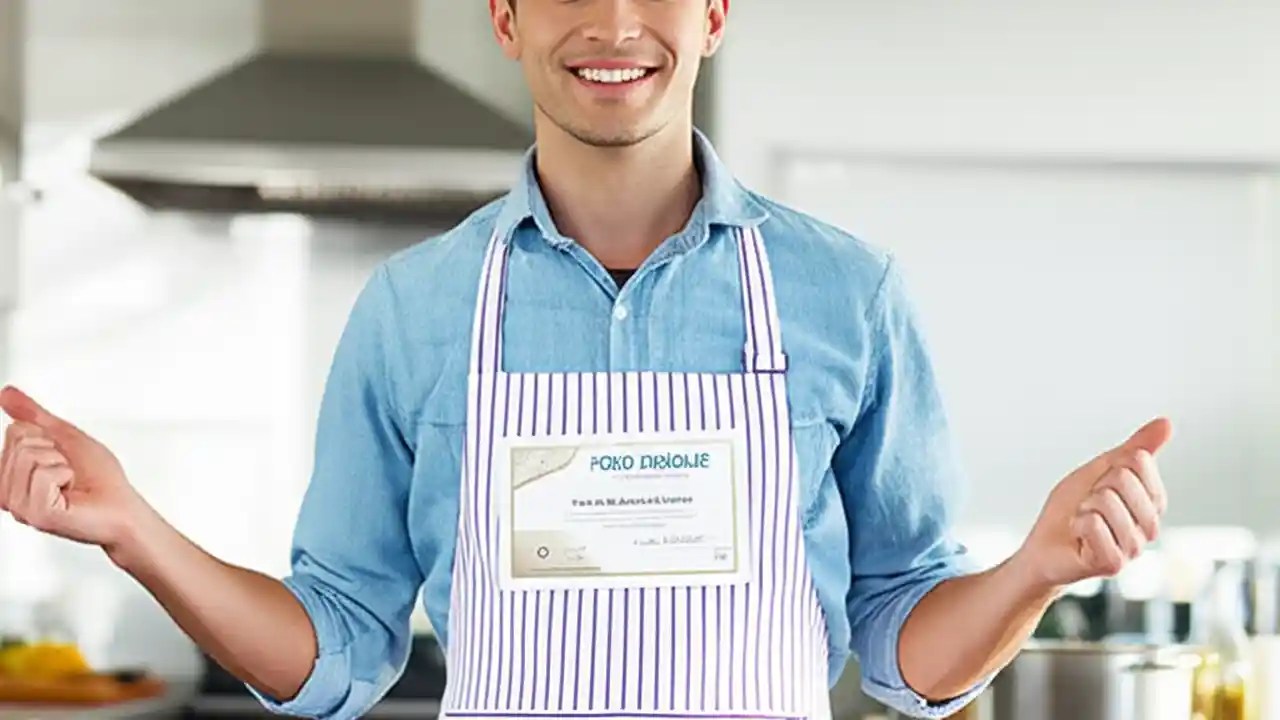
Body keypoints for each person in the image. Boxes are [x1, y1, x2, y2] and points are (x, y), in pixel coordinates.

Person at [0, 1, 1171, 718]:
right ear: (505, 18)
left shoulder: (845, 294)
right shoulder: (414, 309)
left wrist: (1034, 568)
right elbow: (340, 651)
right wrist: (135, 533)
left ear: (715, 11)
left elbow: (903, 645)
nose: (611, 21)